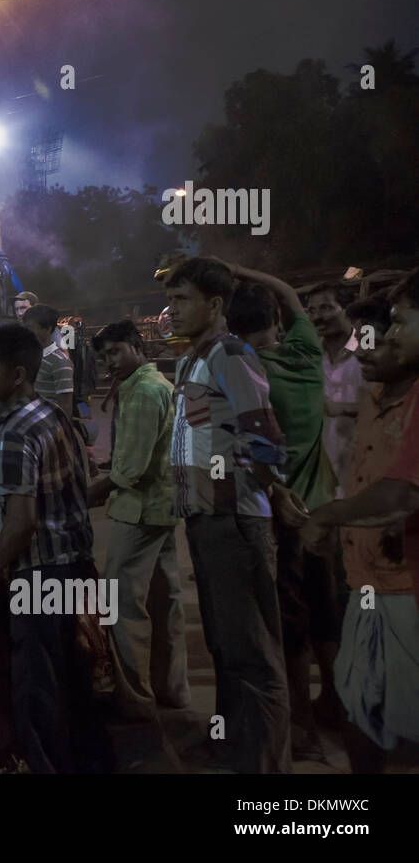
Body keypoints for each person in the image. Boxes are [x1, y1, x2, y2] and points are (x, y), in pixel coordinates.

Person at [0, 323, 112, 773]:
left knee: (36, 692)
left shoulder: (13, 433)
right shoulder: (54, 414)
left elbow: (24, 522)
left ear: (18, 374)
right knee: (77, 681)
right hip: (77, 565)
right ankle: (95, 764)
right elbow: (67, 492)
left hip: (40, 575)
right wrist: (2, 533)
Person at [163, 258, 291, 773]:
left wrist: (264, 496)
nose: (171, 311)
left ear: (215, 305)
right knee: (225, 643)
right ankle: (236, 748)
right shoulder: (192, 359)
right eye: (170, 301)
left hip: (233, 518)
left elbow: (264, 439)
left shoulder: (230, 354)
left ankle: (263, 767)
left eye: (183, 300)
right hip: (205, 516)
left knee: (252, 653)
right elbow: (204, 434)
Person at [300, 270, 419, 772]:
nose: (383, 339)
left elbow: (400, 497)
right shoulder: (378, 398)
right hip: (370, 579)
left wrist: (327, 515)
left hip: (409, 587)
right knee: (360, 706)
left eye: (400, 325)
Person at [225, 263, 340, 761]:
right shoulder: (307, 354)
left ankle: (303, 727)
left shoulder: (251, 373)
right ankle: (335, 704)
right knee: (326, 617)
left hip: (283, 516)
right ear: (276, 320)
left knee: (289, 625)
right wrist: (241, 270)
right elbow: (292, 293)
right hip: (327, 515)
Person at [86, 321, 189, 716]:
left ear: (136, 345)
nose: (110, 362)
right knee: (165, 601)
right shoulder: (149, 385)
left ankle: (134, 698)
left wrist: (85, 495)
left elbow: (130, 471)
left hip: (141, 509)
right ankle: (172, 689)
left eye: (115, 352)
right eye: (105, 356)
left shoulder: (145, 391)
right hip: (161, 506)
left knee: (123, 603)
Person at [308, 281, 363, 499]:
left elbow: (390, 405)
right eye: (312, 310)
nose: (317, 317)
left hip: (360, 473)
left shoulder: (369, 353)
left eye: (326, 307)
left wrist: (341, 408)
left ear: (347, 309)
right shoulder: (309, 356)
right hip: (320, 478)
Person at [22, 305, 75, 420]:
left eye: (30, 328)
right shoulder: (29, 357)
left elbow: (65, 405)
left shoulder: (60, 362)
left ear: (47, 329)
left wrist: (63, 434)